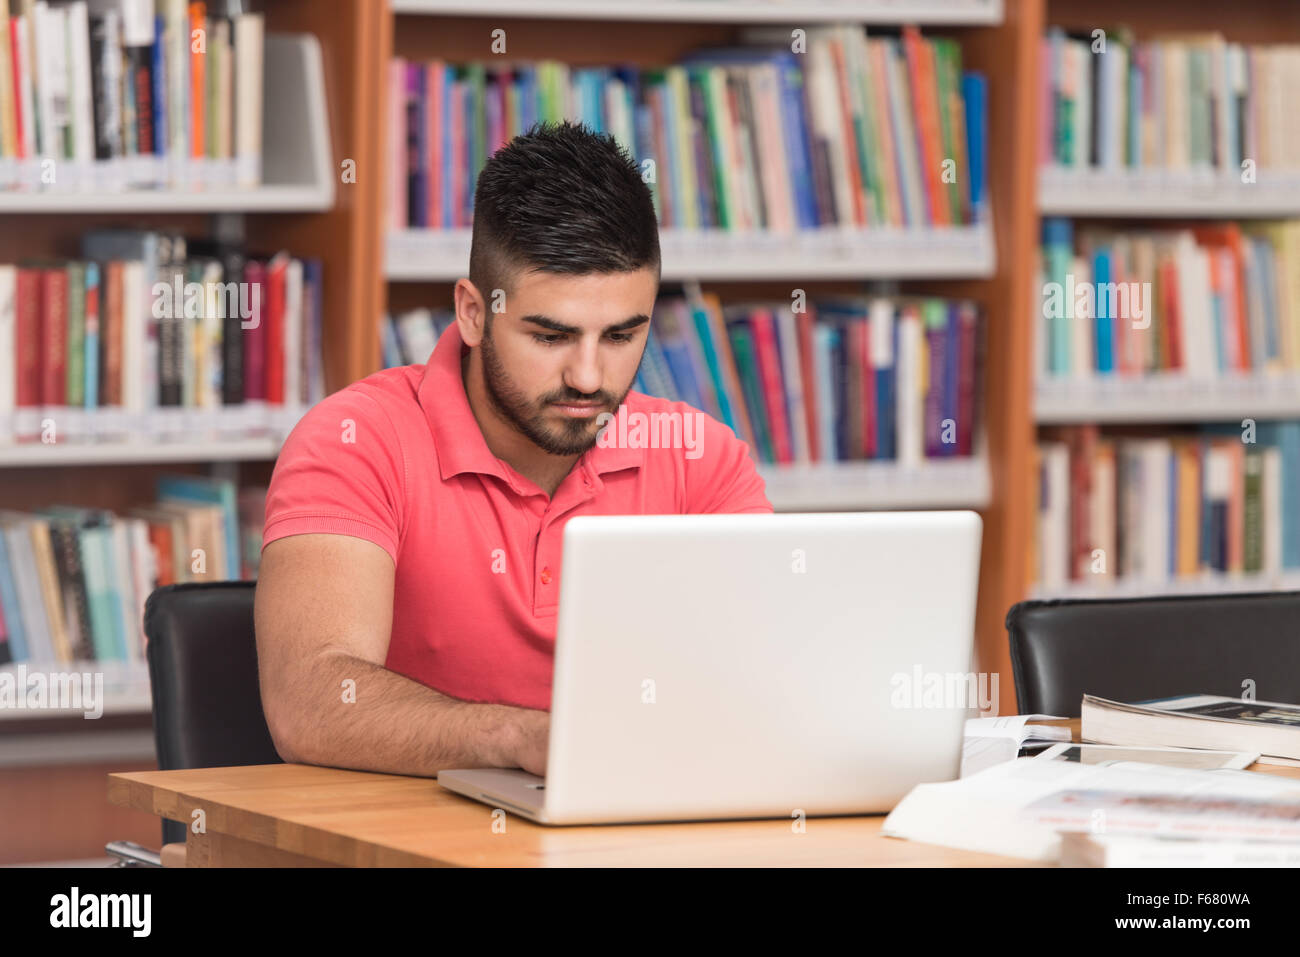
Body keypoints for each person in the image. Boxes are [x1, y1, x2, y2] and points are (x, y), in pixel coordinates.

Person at [254, 120, 772, 779]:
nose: (588, 376)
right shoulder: (355, 442)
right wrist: (516, 739)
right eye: (551, 336)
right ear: (473, 312)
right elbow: (309, 701)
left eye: (620, 336)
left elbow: (767, 679)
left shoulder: (702, 458)